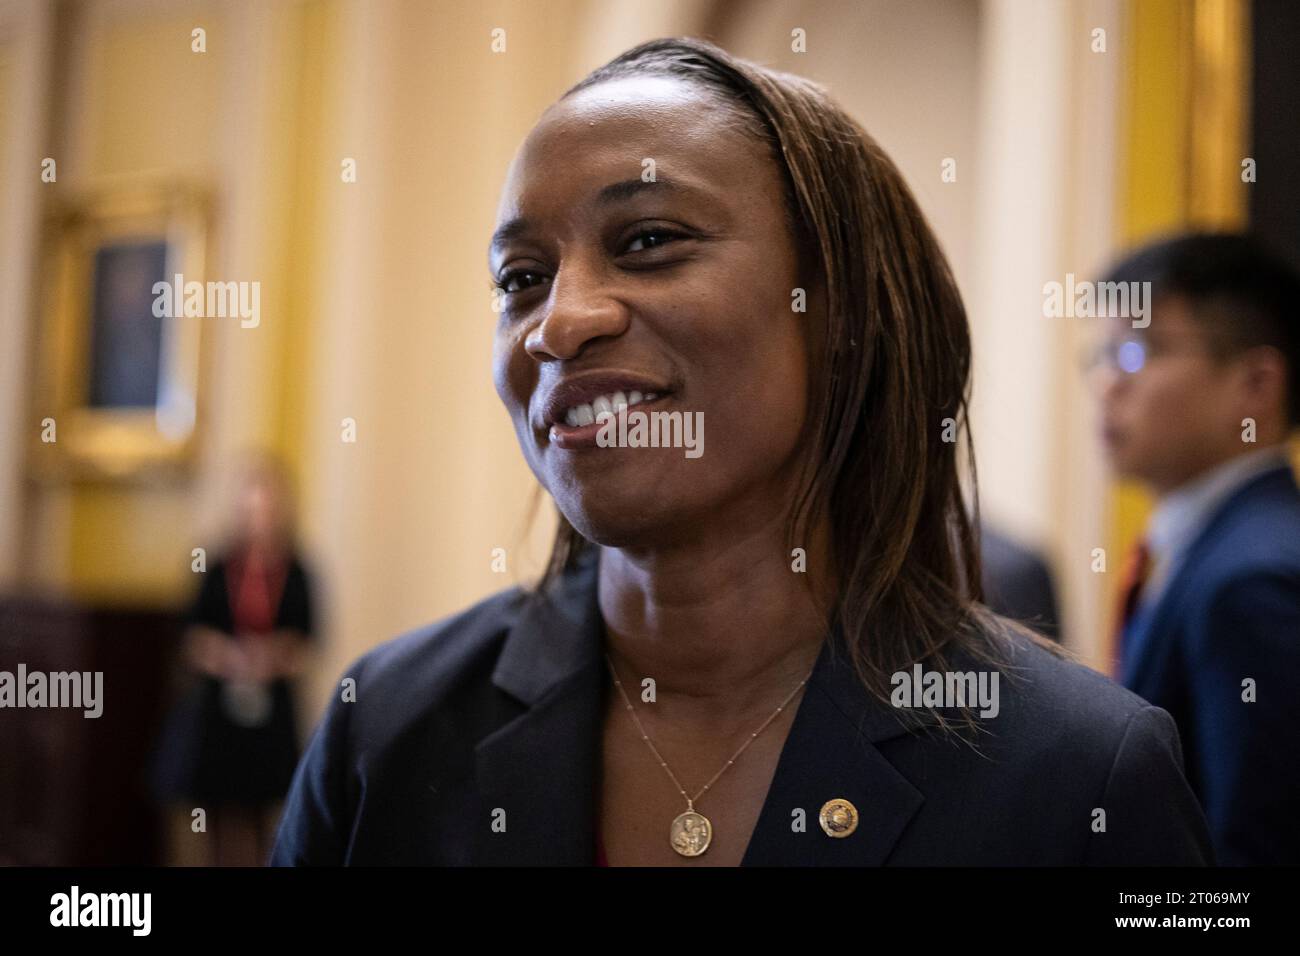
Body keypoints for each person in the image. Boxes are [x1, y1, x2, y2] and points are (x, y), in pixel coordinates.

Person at [271, 37, 1211, 866]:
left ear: (837, 311)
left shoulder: (1080, 770)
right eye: (522, 277)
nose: (560, 323)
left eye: (646, 241)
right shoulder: (386, 727)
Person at [1093, 232, 1300, 865]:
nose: (1107, 384)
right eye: (1101, 356)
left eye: (1137, 351)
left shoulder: (1252, 579)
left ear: (1256, 385)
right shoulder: (1204, 547)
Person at [151, 453, 316, 866]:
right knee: (215, 821)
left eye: (268, 509)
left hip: (270, 711)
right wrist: (228, 657)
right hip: (218, 712)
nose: (260, 519)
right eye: (252, 509)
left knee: (266, 820)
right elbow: (190, 636)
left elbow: (308, 640)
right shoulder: (216, 565)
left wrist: (270, 657)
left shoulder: (297, 571)